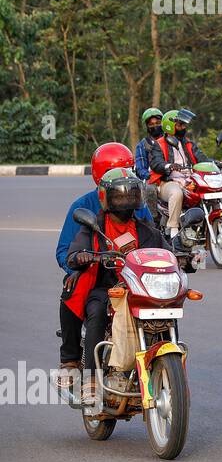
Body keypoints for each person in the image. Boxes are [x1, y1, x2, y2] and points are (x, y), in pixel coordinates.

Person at [61, 167, 169, 402]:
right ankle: (90, 378)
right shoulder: (93, 227)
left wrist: (181, 257)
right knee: (97, 311)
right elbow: (73, 253)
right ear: (106, 198)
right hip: (105, 289)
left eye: (131, 194)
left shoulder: (145, 228)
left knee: (164, 311)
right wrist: (82, 256)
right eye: (119, 195)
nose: (126, 200)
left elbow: (166, 250)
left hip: (140, 290)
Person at [55, 143, 153, 387]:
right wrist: (79, 265)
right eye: (119, 193)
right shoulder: (86, 210)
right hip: (98, 276)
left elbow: (156, 240)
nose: (126, 195)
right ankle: (71, 361)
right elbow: (65, 250)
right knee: (76, 289)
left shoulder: (139, 210)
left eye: (131, 188)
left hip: (134, 279)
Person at [145, 108, 214, 238]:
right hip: (167, 182)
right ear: (170, 127)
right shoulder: (158, 145)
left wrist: (215, 163)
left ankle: (205, 224)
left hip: (190, 180)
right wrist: (169, 165)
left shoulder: (188, 144)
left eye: (184, 125)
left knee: (208, 190)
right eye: (180, 125)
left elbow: (202, 158)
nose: (183, 127)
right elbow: (156, 163)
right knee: (176, 193)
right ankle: (173, 229)